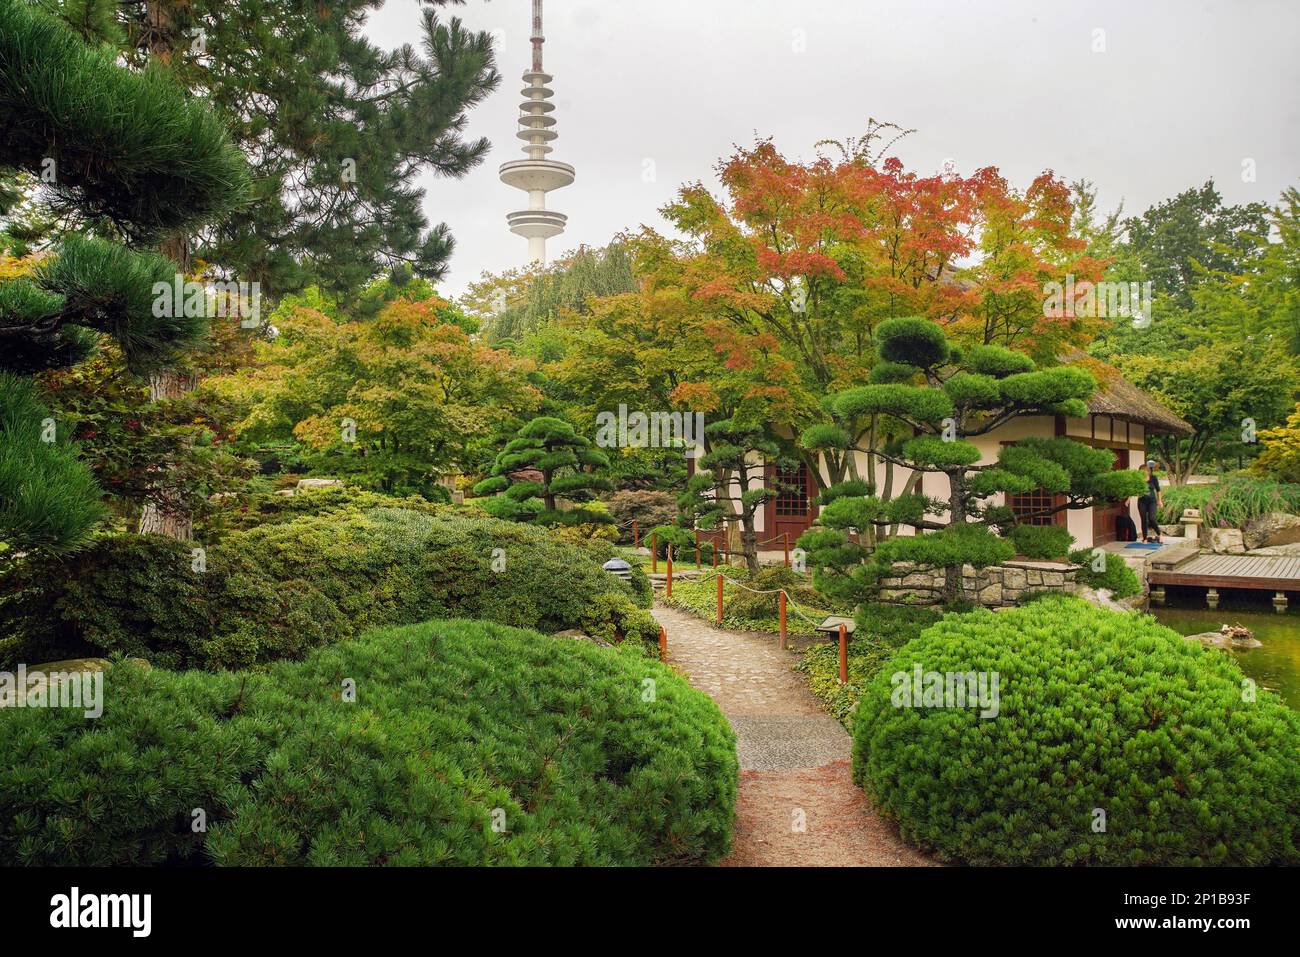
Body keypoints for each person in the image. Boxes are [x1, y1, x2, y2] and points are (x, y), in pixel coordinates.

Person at [1137, 459, 1163, 543]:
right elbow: (1133, 489)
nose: (1142, 473)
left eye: (1144, 471)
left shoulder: (1153, 478)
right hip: (1142, 501)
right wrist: (1128, 499)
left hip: (1152, 501)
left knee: (1152, 518)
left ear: (1147, 471)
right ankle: (1144, 538)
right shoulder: (1139, 479)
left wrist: (1160, 501)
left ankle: (1159, 534)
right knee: (1143, 519)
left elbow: (1158, 490)